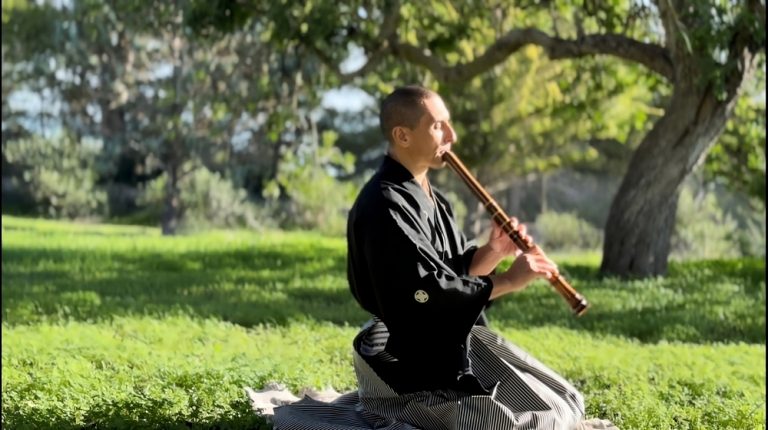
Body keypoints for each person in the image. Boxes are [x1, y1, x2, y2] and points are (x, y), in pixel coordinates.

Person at [269, 85, 617, 430]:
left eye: (448, 123)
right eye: (438, 126)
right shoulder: (384, 204)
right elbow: (427, 292)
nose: (451, 135)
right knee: (508, 425)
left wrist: (494, 250)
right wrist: (510, 280)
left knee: (566, 400)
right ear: (402, 136)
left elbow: (456, 270)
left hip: (447, 341)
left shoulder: (433, 197)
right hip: (405, 355)